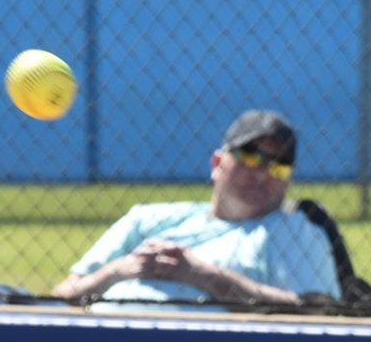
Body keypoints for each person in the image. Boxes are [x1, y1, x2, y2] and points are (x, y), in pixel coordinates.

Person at [53, 110, 346, 309]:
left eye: (278, 165)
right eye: (249, 156)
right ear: (217, 164)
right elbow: (60, 300)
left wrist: (204, 276)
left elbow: (319, 314)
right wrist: (117, 271)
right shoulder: (146, 220)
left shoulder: (291, 230)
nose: (261, 172)